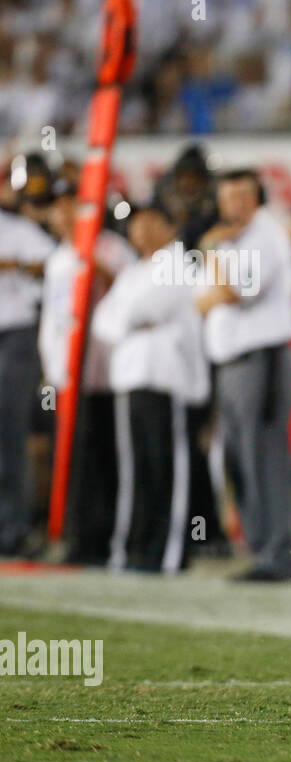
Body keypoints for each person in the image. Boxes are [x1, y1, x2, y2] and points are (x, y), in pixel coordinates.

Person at [196, 169, 291, 581]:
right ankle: (266, 550)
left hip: (262, 356)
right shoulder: (236, 239)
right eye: (228, 197)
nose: (235, 204)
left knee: (262, 454)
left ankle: (280, 554)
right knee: (241, 457)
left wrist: (210, 252)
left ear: (257, 198)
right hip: (234, 360)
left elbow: (235, 293)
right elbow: (205, 297)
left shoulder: (264, 235)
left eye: (243, 195)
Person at [93, 203, 208, 574]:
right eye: (135, 224)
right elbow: (103, 321)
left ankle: (168, 553)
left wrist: (128, 320)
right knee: (135, 470)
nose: (140, 231)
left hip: (167, 377)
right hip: (129, 377)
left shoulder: (179, 262)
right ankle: (135, 548)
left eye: (149, 223)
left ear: (169, 225)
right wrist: (129, 320)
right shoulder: (132, 271)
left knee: (166, 468)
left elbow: (150, 310)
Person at [39, 178, 135, 566]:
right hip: (67, 375)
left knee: (104, 456)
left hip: (104, 373)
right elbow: (52, 320)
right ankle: (77, 534)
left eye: (70, 205)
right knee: (73, 457)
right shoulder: (57, 258)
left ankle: (106, 536)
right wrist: (51, 370)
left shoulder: (113, 250)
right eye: (56, 207)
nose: (62, 215)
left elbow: (127, 297)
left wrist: (96, 266)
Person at [0, 186, 55, 555]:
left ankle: (14, 528)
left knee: (9, 430)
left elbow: (55, 264)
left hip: (14, 334)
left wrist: (14, 264)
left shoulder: (16, 229)